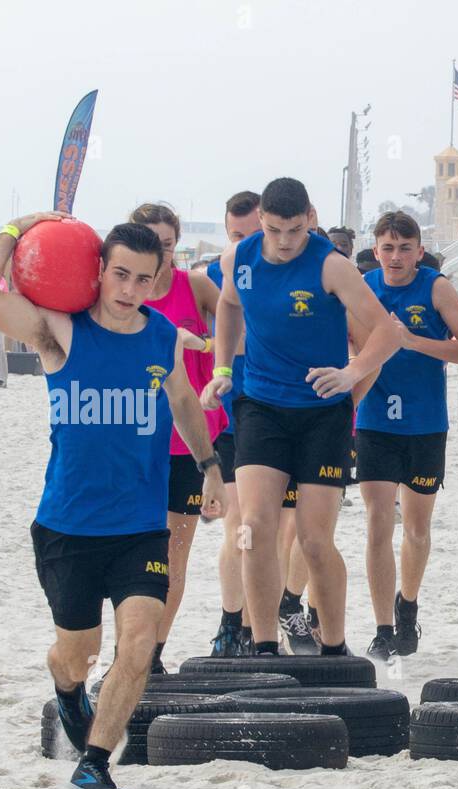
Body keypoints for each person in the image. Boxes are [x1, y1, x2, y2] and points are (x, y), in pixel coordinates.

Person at [0, 214, 225, 789]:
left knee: (137, 642)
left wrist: (211, 467)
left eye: (142, 278)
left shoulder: (161, 337)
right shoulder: (60, 331)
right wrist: (16, 228)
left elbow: (183, 400)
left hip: (139, 527)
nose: (128, 289)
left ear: (158, 281)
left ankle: (96, 763)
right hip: (68, 528)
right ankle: (66, 690)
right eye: (119, 274)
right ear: (100, 272)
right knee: (76, 654)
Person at [201, 176, 399, 660]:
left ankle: (334, 647)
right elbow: (228, 307)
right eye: (274, 230)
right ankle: (263, 644)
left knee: (312, 540)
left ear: (308, 218)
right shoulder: (239, 258)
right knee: (254, 527)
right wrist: (222, 367)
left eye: (294, 229)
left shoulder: (331, 266)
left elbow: (387, 332)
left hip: (321, 415)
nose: (285, 241)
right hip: (261, 408)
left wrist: (352, 372)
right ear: (262, 222)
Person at [357, 211, 458, 660]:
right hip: (373, 421)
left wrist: (411, 341)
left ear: (418, 251)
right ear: (376, 251)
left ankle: (407, 604)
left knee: (415, 527)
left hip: (425, 423)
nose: (395, 257)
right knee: (376, 523)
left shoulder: (436, 287)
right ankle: (383, 627)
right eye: (387, 248)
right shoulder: (364, 286)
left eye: (404, 248)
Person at [130, 203, 229, 670]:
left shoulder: (194, 285)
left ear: (177, 243)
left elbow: (239, 323)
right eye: (149, 243)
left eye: (166, 245)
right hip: (132, 439)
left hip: (191, 442)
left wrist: (212, 353)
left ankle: (152, 655)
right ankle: (128, 650)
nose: (159, 254)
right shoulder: (121, 288)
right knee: (131, 555)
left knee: (174, 556)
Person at [203, 190, 265, 657]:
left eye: (252, 235)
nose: (242, 244)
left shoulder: (293, 273)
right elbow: (213, 339)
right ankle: (232, 624)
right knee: (238, 525)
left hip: (279, 413)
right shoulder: (216, 275)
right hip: (231, 415)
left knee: (280, 531)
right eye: (235, 236)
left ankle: (264, 619)